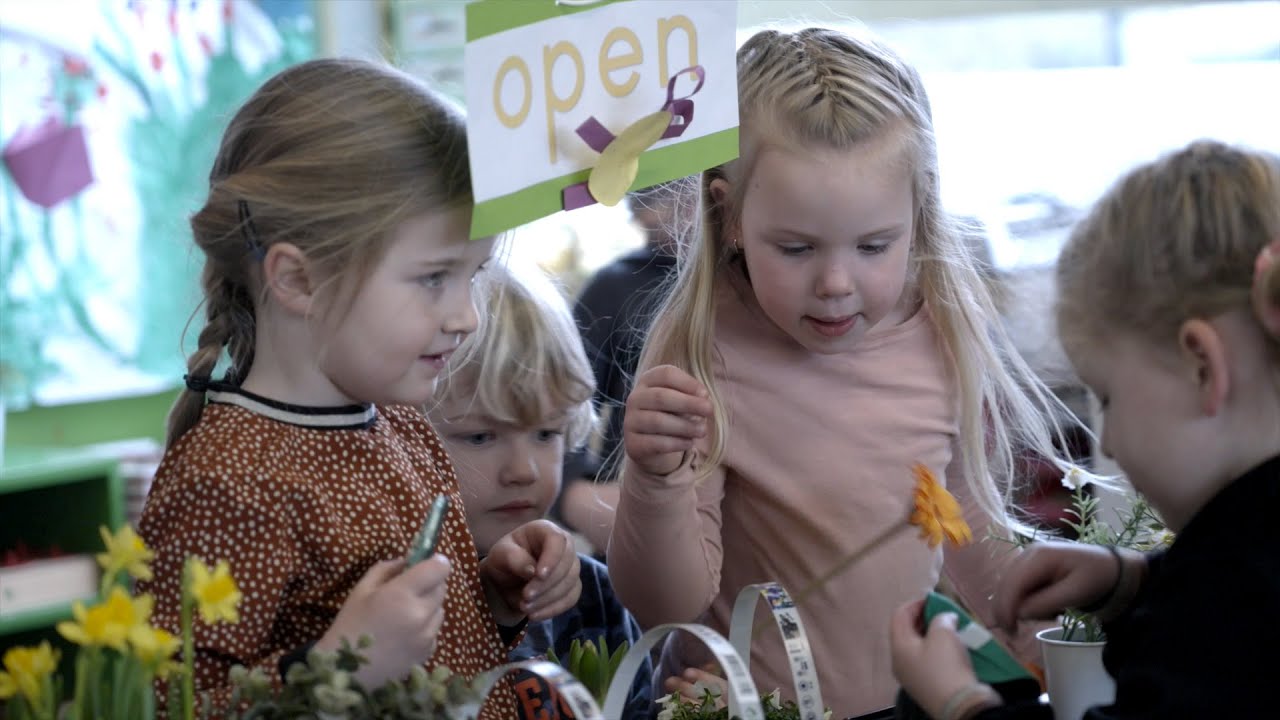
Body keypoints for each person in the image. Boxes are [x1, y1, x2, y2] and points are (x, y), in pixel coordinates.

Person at [607, 27, 1075, 718]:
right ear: (726, 214)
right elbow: (662, 603)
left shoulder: (938, 324)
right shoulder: (701, 352)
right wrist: (653, 478)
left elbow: (961, 516)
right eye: (795, 248)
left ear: (918, 217)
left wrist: (1036, 613)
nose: (835, 283)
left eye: (874, 245)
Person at [136, 58, 580, 718]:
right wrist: (347, 662)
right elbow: (170, 701)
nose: (467, 316)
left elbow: (428, 657)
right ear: (298, 280)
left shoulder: (403, 428)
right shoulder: (228, 480)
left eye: (473, 276)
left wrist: (489, 597)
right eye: (434, 277)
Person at [889, 140, 1280, 719]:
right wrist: (1131, 581)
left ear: (1203, 366)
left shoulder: (1224, 606)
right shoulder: (1244, 560)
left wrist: (961, 703)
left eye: (1107, 397)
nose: (1111, 442)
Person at [429, 263, 653, 719]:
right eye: (480, 437)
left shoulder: (594, 597)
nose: (523, 471)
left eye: (547, 434)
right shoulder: (397, 591)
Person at [559, 182, 687, 553]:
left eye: (681, 193)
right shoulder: (615, 285)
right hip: (639, 529)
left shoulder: (759, 282)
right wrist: (573, 493)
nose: (652, 211)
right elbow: (559, 408)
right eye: (648, 200)